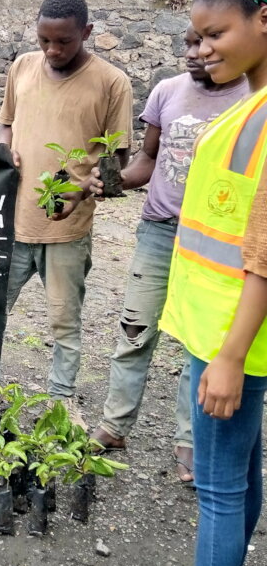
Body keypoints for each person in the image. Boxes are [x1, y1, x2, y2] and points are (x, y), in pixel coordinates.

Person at [117, 0, 267, 566]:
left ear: (264, 21)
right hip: (227, 331)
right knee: (243, 470)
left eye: (215, 34)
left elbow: (264, 252)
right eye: (196, 37)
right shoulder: (253, 105)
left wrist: (231, 355)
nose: (202, 50)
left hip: (234, 338)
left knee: (218, 485)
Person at [91, 27, 247, 484]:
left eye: (204, 43)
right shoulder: (166, 91)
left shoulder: (249, 99)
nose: (195, 53)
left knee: (199, 343)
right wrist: (110, 182)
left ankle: (189, 442)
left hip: (214, 240)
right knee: (134, 330)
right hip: (159, 231)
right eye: (188, 43)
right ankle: (114, 426)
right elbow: (147, 160)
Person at [0, 0, 133, 422]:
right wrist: (5, 150)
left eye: (64, 41)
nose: (52, 50)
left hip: (67, 227)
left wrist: (85, 189)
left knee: (64, 320)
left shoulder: (111, 82)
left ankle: (61, 399)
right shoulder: (22, 67)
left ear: (86, 32)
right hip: (13, 220)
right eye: (44, 40)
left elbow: (117, 160)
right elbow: (5, 124)